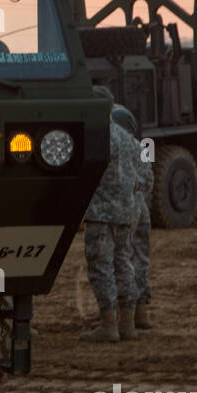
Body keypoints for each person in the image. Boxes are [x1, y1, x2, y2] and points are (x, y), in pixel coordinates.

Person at [80, 99, 141, 343]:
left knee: (101, 266)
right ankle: (128, 324)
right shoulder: (129, 140)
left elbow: (87, 173)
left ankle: (108, 325)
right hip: (127, 212)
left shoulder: (98, 138)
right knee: (124, 264)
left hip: (101, 213)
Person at [114, 107, 154, 329]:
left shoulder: (115, 146)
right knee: (140, 260)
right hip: (142, 210)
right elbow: (149, 182)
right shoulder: (141, 148)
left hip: (123, 209)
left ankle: (125, 319)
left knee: (122, 261)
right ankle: (142, 313)